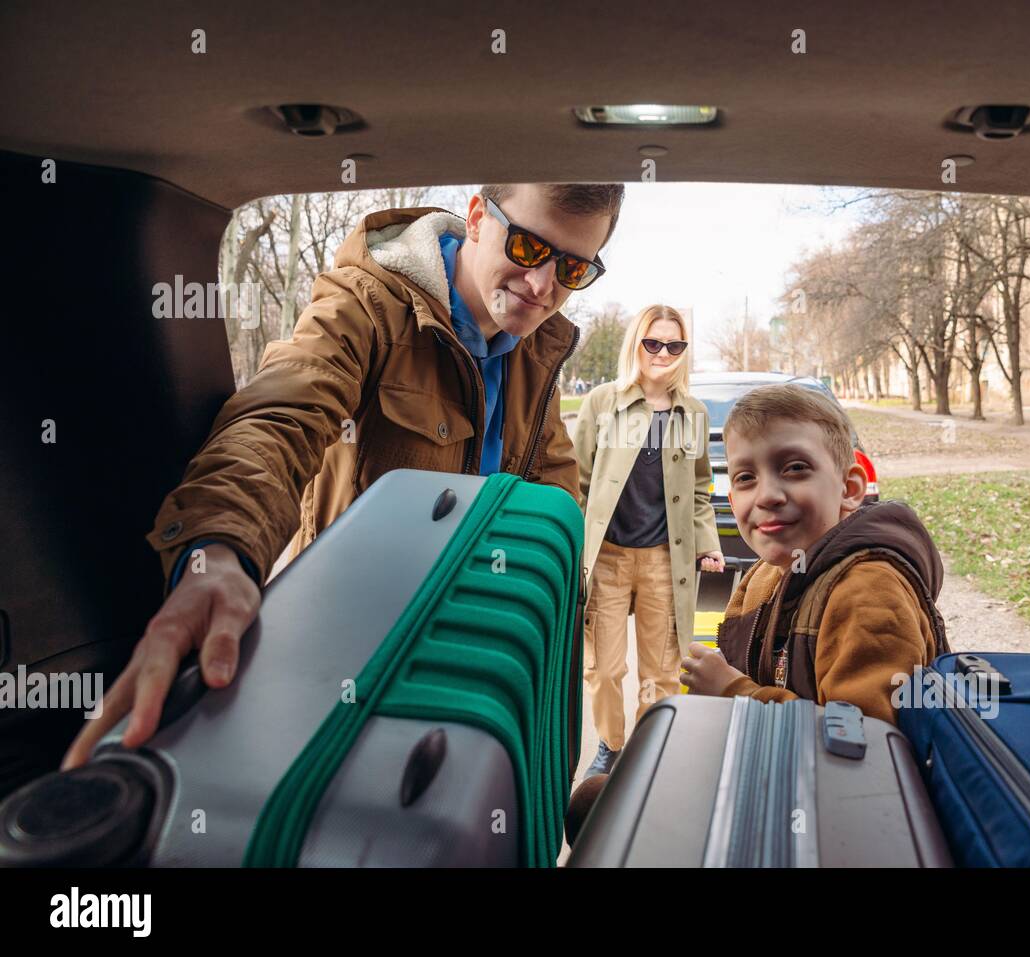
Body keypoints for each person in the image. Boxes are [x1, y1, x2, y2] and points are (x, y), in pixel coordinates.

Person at [63, 183, 625, 769]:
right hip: (354, 659)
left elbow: (555, 504)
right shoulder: (366, 304)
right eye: (531, 250)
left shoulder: (539, 354)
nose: (543, 287)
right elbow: (282, 413)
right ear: (480, 217)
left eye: (572, 268)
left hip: (473, 658)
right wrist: (220, 554)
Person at [679, 384, 949, 723]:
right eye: (746, 477)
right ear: (733, 502)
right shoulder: (765, 574)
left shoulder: (867, 592)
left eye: (794, 468)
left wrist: (734, 691)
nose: (767, 496)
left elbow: (865, 741)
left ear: (849, 489)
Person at [571, 305, 723, 779]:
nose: (662, 353)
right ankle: (611, 746)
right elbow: (577, 482)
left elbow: (700, 490)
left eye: (673, 345)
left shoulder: (692, 413)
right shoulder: (602, 403)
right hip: (610, 559)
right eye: (652, 343)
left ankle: (649, 751)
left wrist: (707, 543)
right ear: (636, 343)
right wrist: (575, 549)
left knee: (662, 672)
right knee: (604, 669)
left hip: (665, 559)